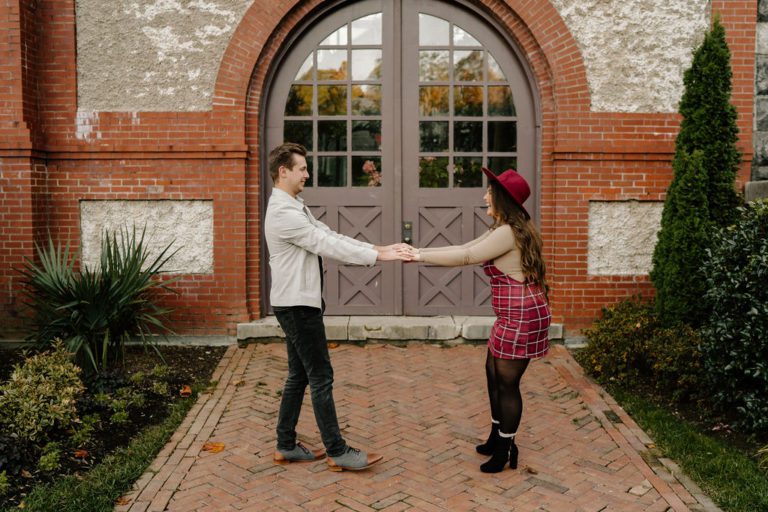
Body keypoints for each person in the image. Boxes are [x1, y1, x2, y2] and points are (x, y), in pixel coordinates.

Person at [265, 142, 411, 472]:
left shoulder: (295, 206)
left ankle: (285, 445)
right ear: (283, 171)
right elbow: (326, 244)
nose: (307, 174)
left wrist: (379, 247)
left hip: (297, 303)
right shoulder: (283, 213)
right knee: (320, 377)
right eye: (301, 168)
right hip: (297, 306)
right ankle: (337, 451)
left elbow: (329, 233)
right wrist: (380, 256)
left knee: (299, 376)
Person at [409, 168, 551, 473]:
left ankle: (505, 449)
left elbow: (465, 257)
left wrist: (417, 256)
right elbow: (464, 249)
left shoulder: (507, 232)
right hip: (513, 314)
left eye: (489, 191)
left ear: (502, 198)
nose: (484, 196)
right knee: (492, 373)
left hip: (522, 316)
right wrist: (418, 251)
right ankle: (496, 435)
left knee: (508, 384)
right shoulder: (504, 227)